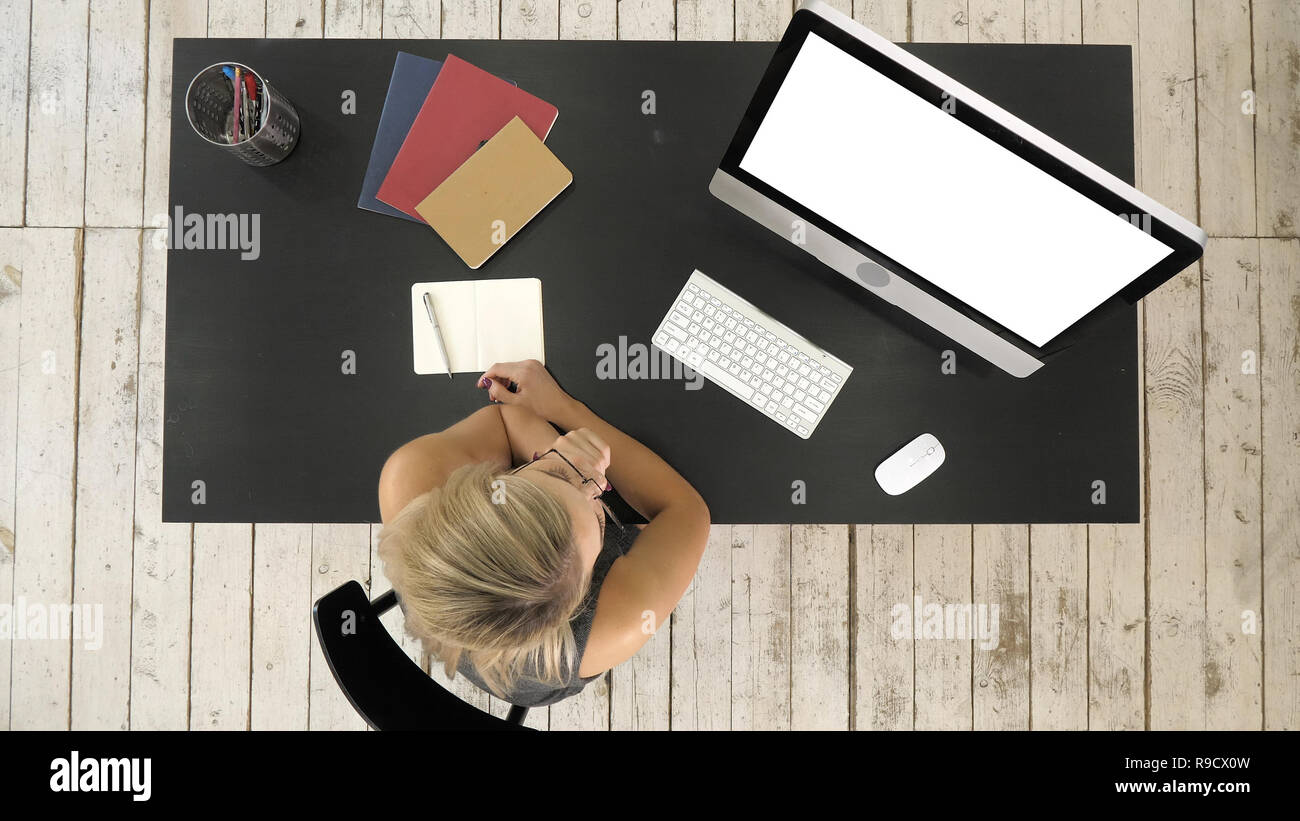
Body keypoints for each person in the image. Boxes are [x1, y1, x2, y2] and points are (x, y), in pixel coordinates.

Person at [376, 359, 711, 707]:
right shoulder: (616, 621)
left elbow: (506, 421)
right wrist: (567, 412)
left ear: (486, 483)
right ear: (583, 592)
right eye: (600, 519)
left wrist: (567, 465)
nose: (597, 481)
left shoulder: (411, 476)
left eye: (556, 477)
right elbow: (686, 511)